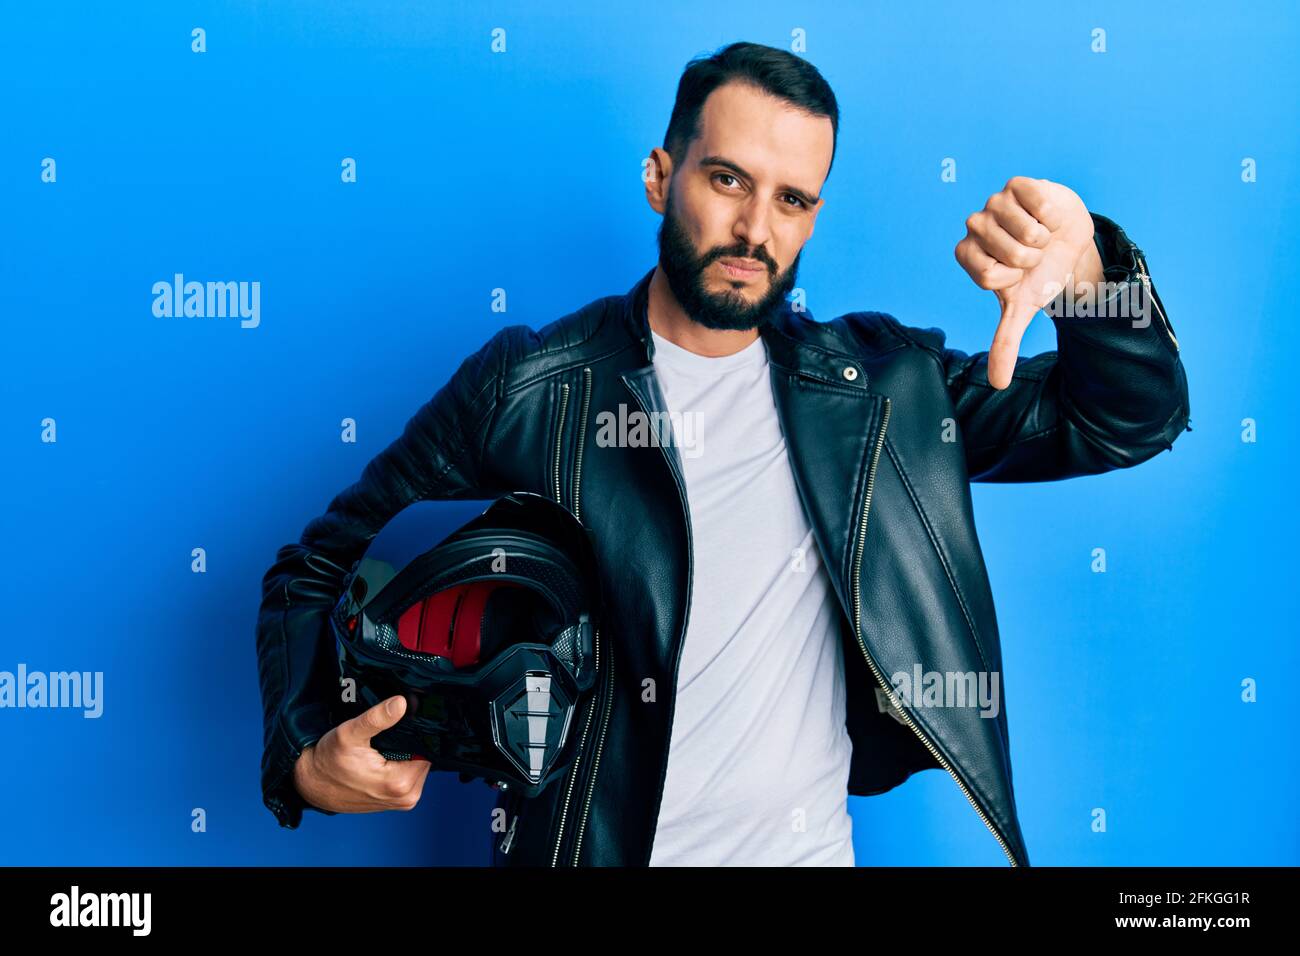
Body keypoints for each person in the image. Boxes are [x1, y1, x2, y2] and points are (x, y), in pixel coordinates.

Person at [255, 40, 1189, 867]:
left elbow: (1121, 422)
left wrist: (1091, 280)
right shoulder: (529, 389)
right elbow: (314, 568)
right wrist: (303, 759)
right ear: (662, 177)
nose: (755, 232)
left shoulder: (882, 394)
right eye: (729, 180)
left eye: (792, 200)